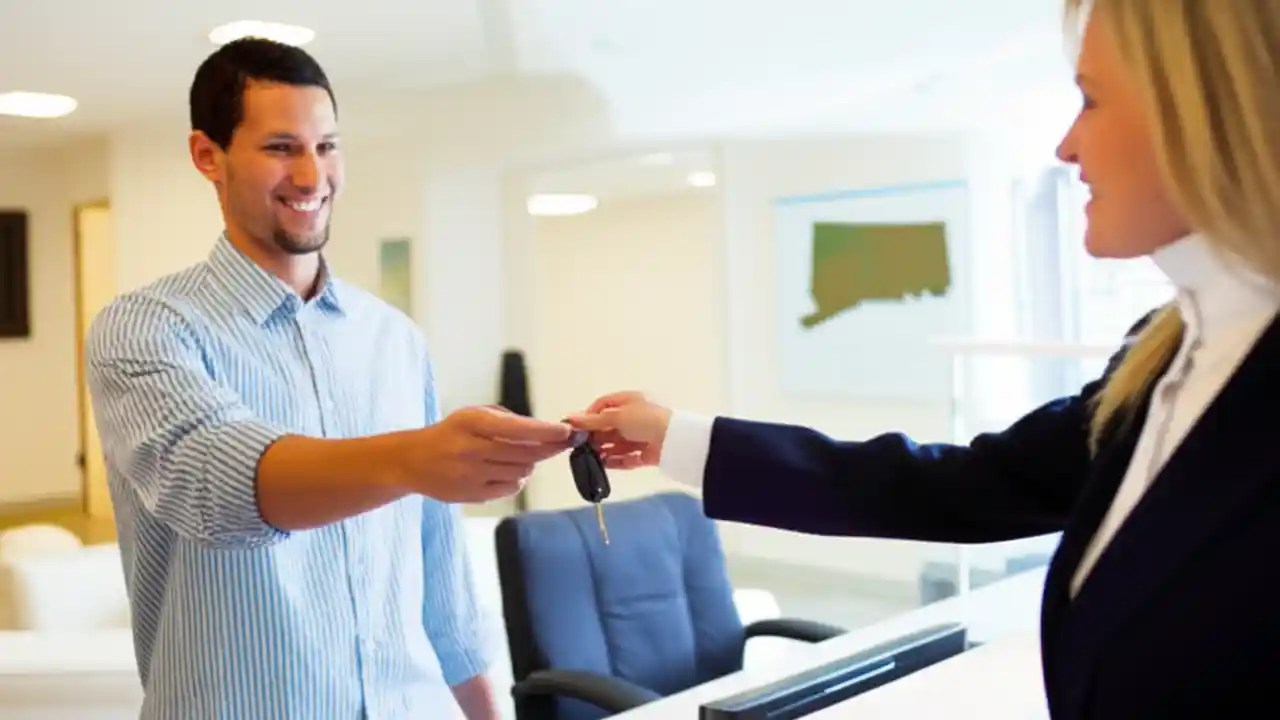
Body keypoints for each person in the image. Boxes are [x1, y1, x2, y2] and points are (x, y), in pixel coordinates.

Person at [568, 2, 1280, 718]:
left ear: (1215, 105)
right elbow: (961, 486)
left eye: (1091, 99)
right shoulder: (1164, 358)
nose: (1066, 147)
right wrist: (677, 437)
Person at [84, 38, 574, 719]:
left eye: (327, 146)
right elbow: (215, 486)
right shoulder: (144, 330)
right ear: (208, 155)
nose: (312, 175)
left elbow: (440, 575)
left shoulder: (394, 339)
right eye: (281, 148)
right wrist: (413, 458)